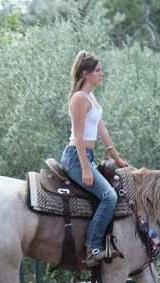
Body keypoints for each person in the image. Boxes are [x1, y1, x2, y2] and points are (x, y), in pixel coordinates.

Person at [60, 50, 129, 268]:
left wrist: (116, 158)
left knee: (116, 191)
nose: (102, 74)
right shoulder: (79, 98)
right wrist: (85, 168)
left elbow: (101, 127)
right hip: (75, 157)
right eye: (98, 71)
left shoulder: (91, 97)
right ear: (86, 73)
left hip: (86, 156)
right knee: (109, 197)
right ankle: (93, 247)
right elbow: (78, 136)